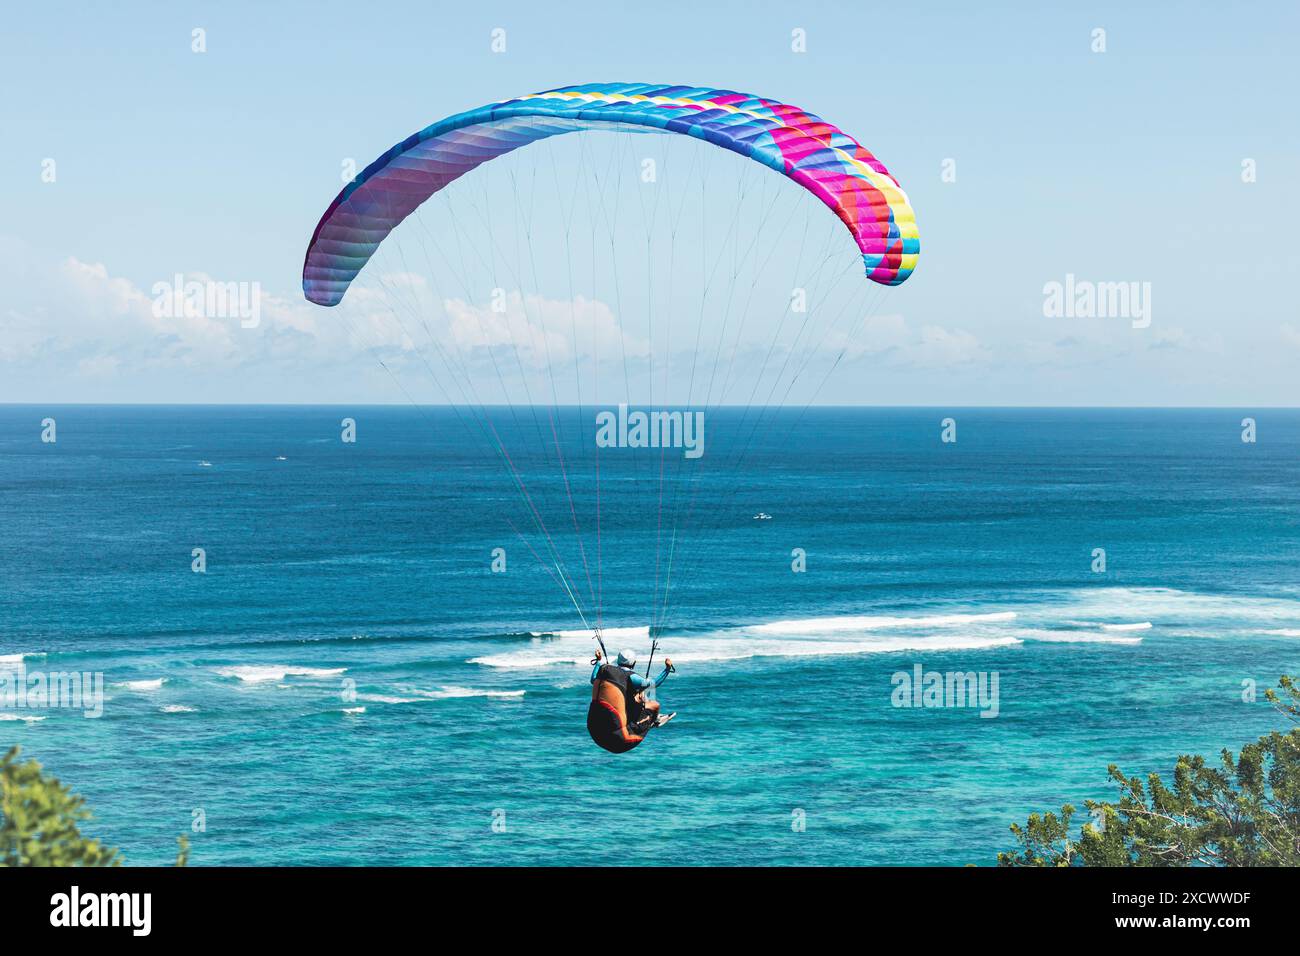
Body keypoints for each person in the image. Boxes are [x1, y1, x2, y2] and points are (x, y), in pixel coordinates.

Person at [586, 648, 674, 753]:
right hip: (619, 740)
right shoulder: (631, 677)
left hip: (595, 732)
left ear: (618, 661)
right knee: (654, 705)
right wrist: (667, 669)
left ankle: (641, 717)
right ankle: (653, 720)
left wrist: (599, 661)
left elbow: (593, 679)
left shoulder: (604, 669)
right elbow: (653, 684)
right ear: (634, 663)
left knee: (636, 697)